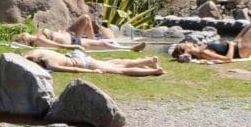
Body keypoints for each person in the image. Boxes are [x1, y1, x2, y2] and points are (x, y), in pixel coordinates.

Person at [172, 20, 251, 64]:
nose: (186, 41)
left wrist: (231, 44)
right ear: (185, 50)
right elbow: (228, 59)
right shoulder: (203, 53)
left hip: (236, 45)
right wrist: (232, 46)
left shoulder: (200, 49)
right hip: (241, 50)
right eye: (184, 43)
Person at [16, 47, 164, 76]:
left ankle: (153, 70)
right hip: (77, 56)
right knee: (114, 62)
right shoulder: (37, 51)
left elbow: (73, 70)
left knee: (120, 70)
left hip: (83, 63)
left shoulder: (49, 63)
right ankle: (149, 61)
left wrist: (92, 71)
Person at [15, 29, 145, 53]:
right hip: (73, 43)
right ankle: (130, 48)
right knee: (103, 44)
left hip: (72, 38)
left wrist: (62, 33)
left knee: (104, 42)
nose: (25, 34)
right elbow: (56, 45)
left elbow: (55, 36)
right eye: (23, 36)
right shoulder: (38, 41)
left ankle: (126, 47)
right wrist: (71, 48)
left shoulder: (39, 33)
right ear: (25, 40)